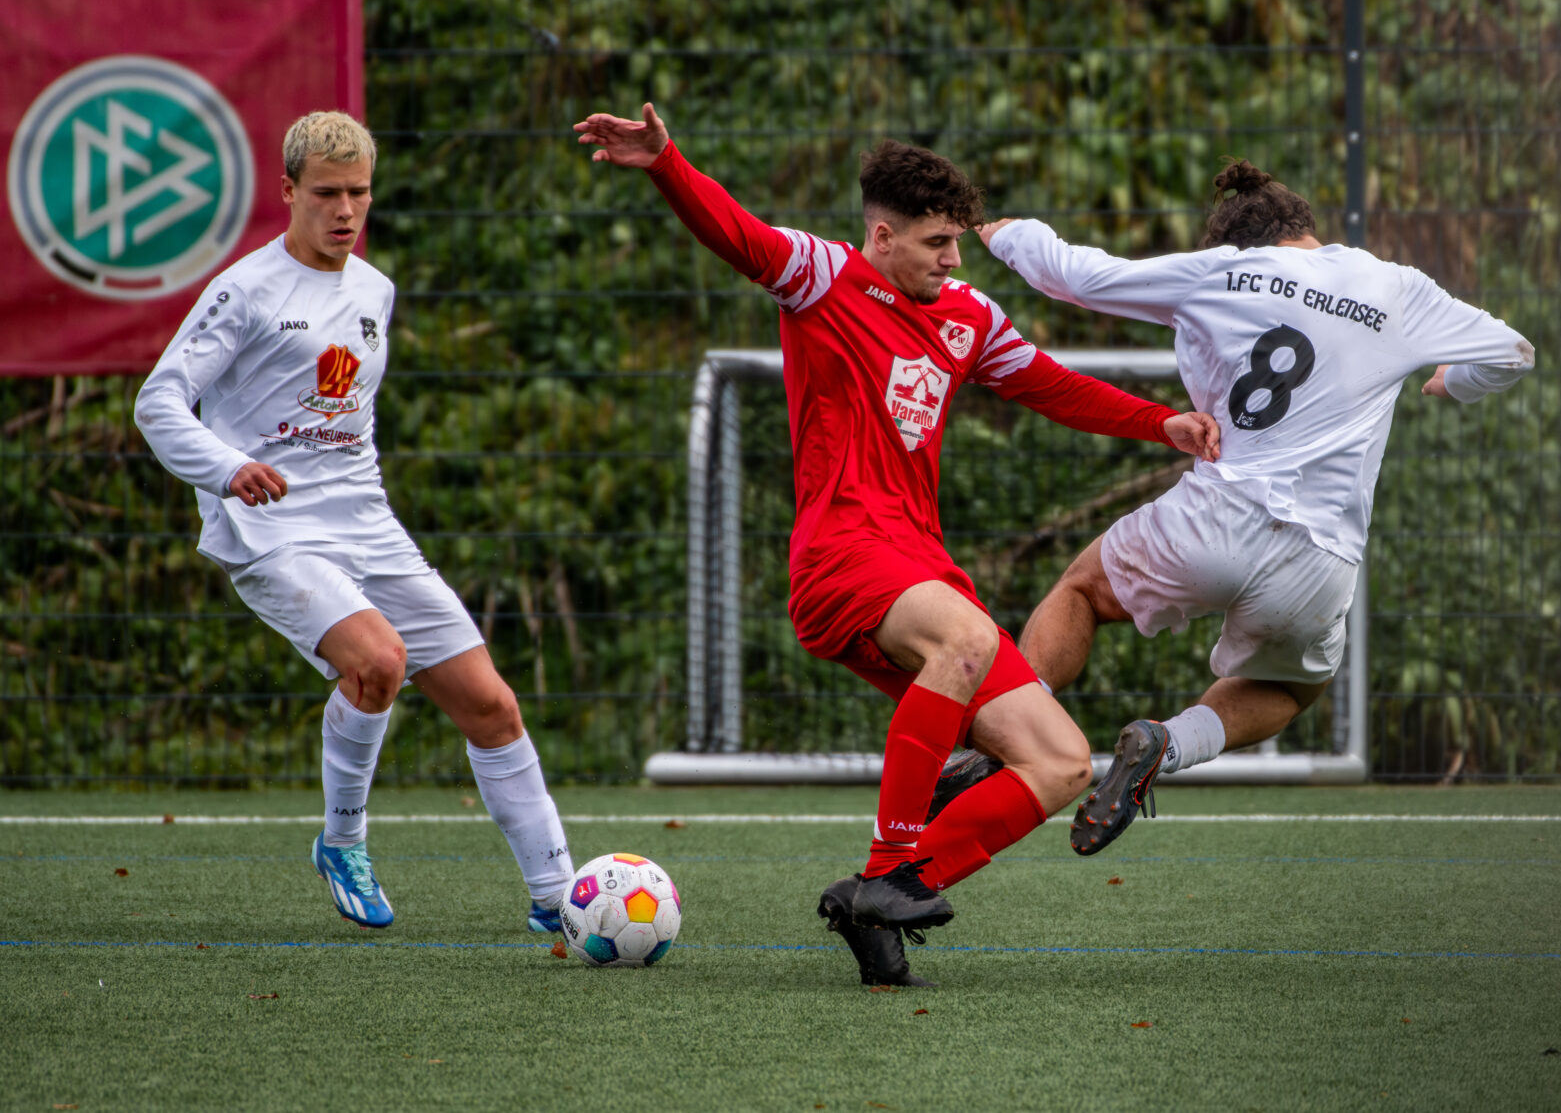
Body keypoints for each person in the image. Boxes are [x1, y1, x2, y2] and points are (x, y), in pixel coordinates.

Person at [574, 104, 1220, 985]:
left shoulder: (968, 316)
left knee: (1062, 760)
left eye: (956, 241)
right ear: (882, 236)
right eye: (936, 242)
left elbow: (1051, 386)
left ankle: (880, 895)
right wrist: (664, 162)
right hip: (844, 554)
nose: (954, 258)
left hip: (919, 563)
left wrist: (1163, 423)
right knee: (962, 638)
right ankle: (891, 856)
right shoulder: (821, 278)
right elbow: (736, 232)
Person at [975, 158, 1536, 855]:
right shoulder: (1394, 287)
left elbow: (1079, 276)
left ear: (1237, 243)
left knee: (1083, 590)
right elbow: (1515, 352)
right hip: (1320, 561)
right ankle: (1166, 743)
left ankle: (1010, 730)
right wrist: (1455, 382)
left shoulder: (1220, 273)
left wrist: (1003, 233)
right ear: (1306, 230)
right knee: (1291, 689)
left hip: (1216, 517)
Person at [134, 112, 574, 932]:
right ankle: (344, 841)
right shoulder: (245, 290)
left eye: (359, 193)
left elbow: (349, 418)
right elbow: (158, 400)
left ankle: (562, 896)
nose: (345, 210)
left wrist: (372, 517)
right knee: (378, 661)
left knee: (492, 705)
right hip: (269, 527)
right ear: (289, 191)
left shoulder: (374, 290)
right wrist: (229, 469)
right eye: (327, 193)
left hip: (365, 524)